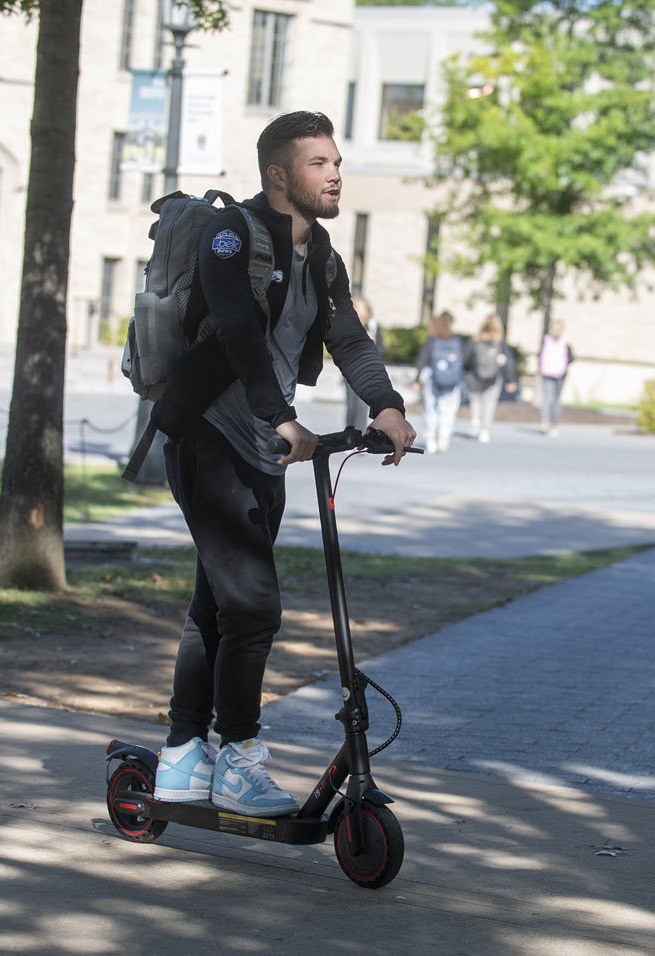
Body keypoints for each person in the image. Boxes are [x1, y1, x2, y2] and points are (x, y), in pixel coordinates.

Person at [150, 111, 416, 817]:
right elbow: (236, 328)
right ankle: (236, 757)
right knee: (254, 606)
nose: (334, 174)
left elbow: (347, 335)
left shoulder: (322, 252)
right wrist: (280, 416)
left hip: (268, 447)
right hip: (210, 437)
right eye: (318, 163)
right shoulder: (231, 234)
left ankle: (180, 757)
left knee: (219, 605)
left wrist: (384, 405)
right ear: (278, 175)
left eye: (336, 162)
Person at [413, 310, 464, 452]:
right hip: (453, 380)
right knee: (449, 408)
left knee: (431, 408)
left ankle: (430, 438)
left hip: (432, 377)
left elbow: (422, 359)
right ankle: (444, 432)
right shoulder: (457, 341)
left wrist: (416, 379)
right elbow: (463, 360)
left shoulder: (432, 340)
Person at [465, 313, 518, 442]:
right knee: (489, 403)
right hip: (494, 377)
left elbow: (466, 357)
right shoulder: (500, 342)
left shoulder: (475, 339)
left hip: (475, 375)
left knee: (475, 400)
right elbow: (508, 362)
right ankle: (485, 430)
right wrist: (511, 380)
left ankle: (475, 421)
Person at [343, 296, 385, 430]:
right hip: (351, 369)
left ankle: (360, 435)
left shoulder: (373, 326)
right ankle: (350, 432)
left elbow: (381, 347)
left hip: (368, 370)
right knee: (352, 404)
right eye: (357, 307)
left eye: (362, 308)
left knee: (363, 404)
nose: (360, 311)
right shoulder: (348, 324)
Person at [537, 320, 573, 435]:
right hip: (560, 373)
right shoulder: (565, 342)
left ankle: (544, 421)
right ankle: (554, 425)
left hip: (547, 372)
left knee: (547, 398)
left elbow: (539, 355)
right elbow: (571, 358)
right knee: (556, 399)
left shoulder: (545, 340)